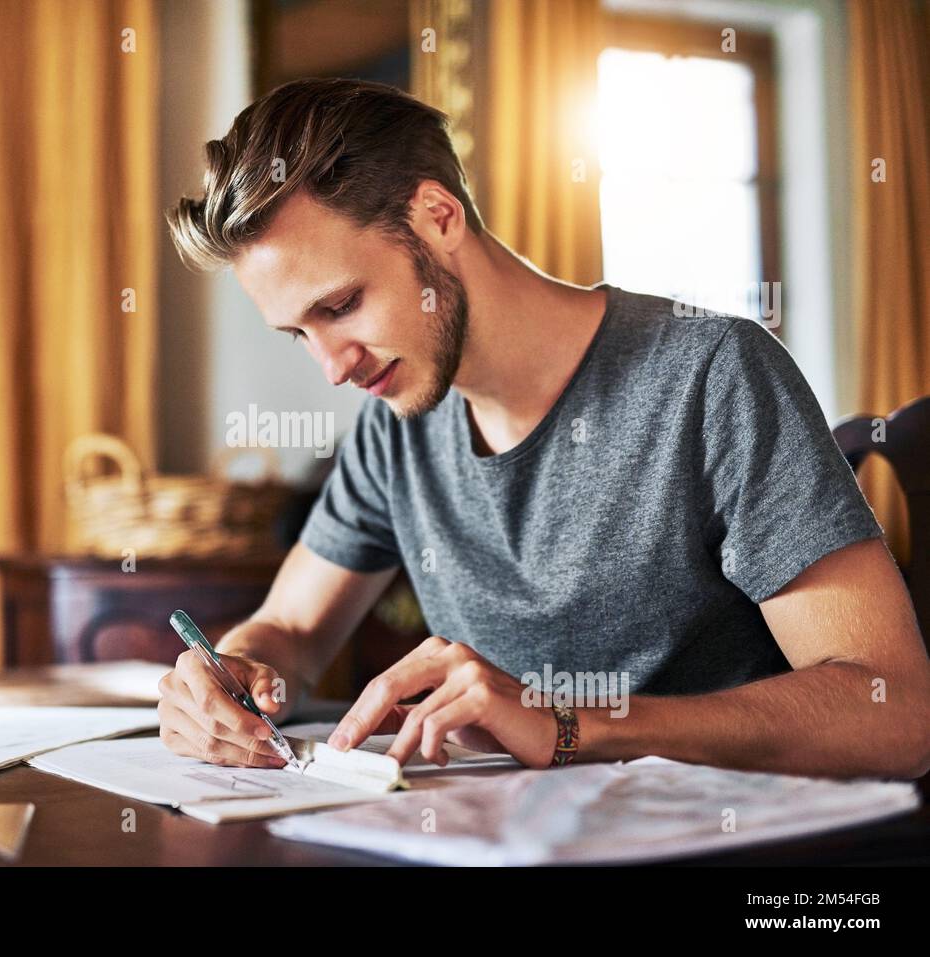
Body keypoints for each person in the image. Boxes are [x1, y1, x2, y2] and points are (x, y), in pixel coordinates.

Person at [159, 77, 930, 779]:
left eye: (341, 306)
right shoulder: (393, 427)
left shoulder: (711, 372)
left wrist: (571, 724)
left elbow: (894, 713)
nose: (333, 366)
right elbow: (291, 626)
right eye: (299, 333)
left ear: (438, 216)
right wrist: (231, 671)